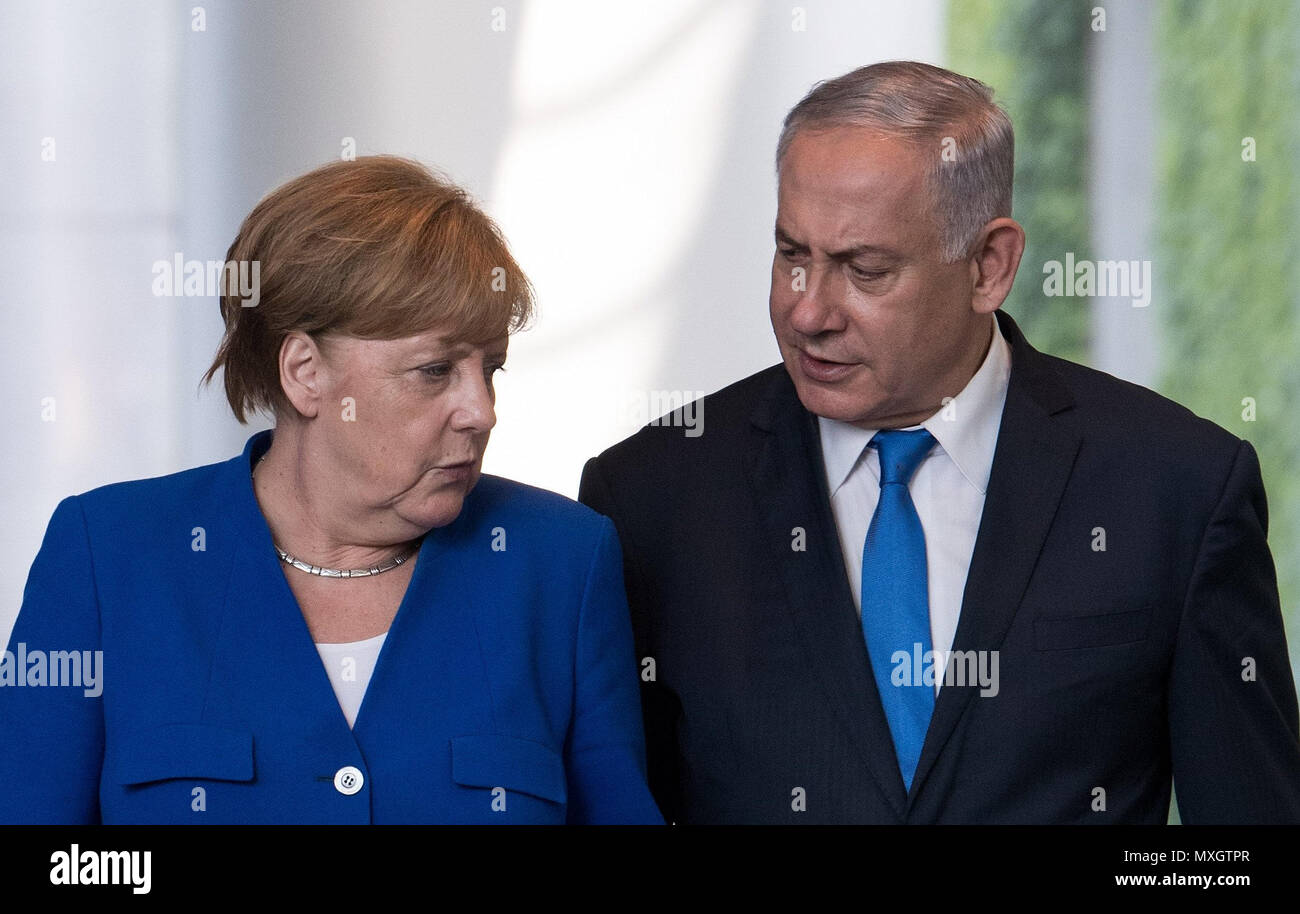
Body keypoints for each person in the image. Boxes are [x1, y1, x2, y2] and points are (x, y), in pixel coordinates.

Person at [579, 61, 1300, 824]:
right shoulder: (653, 498)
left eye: (865, 270)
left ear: (990, 266)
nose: (807, 311)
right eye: (793, 255)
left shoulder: (1175, 488)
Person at [0, 155, 662, 825]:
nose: (481, 410)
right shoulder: (110, 555)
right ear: (304, 372)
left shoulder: (562, 563)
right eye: (435, 370)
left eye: (489, 369)